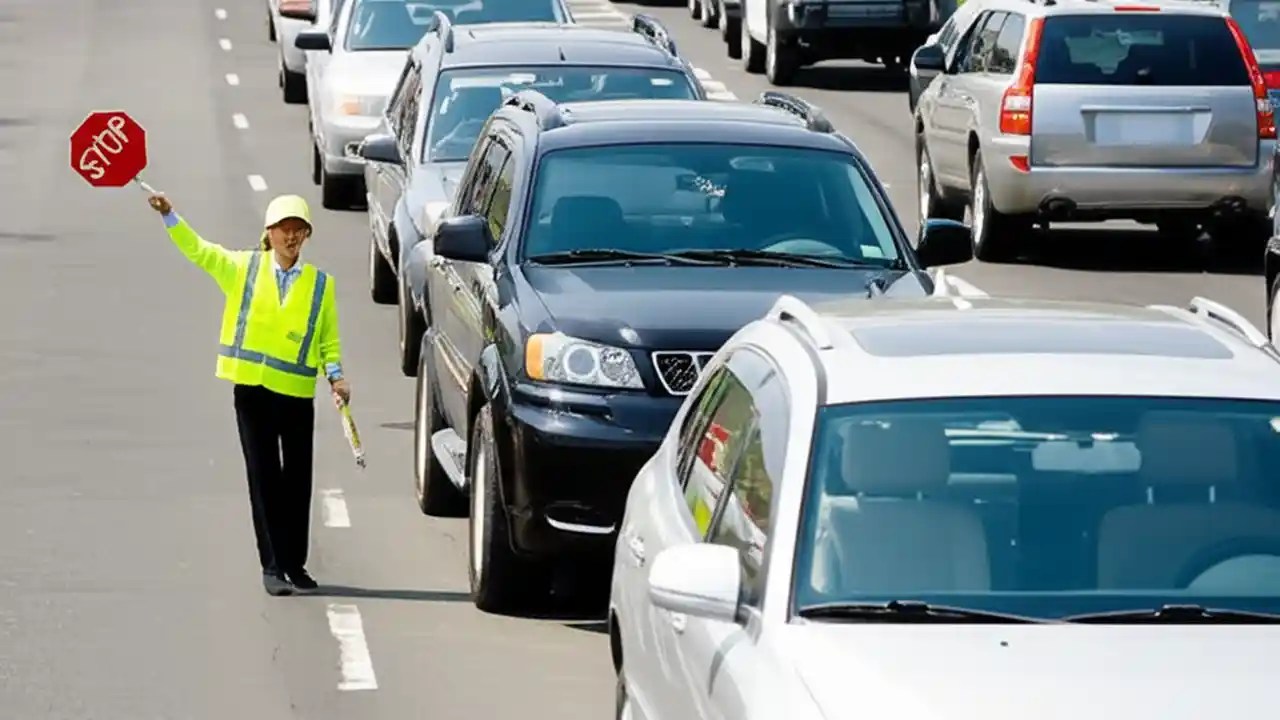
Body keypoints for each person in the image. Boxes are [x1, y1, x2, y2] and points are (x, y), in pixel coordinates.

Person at [148, 192, 351, 597]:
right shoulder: (243, 268)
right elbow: (201, 252)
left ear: (306, 234)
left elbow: (327, 339)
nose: (291, 237)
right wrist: (170, 216)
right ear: (269, 233)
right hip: (253, 391)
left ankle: (296, 564)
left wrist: (337, 378)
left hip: (295, 392)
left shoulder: (320, 285)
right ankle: (273, 566)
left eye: (298, 230)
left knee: (297, 482)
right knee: (264, 478)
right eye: (284, 230)